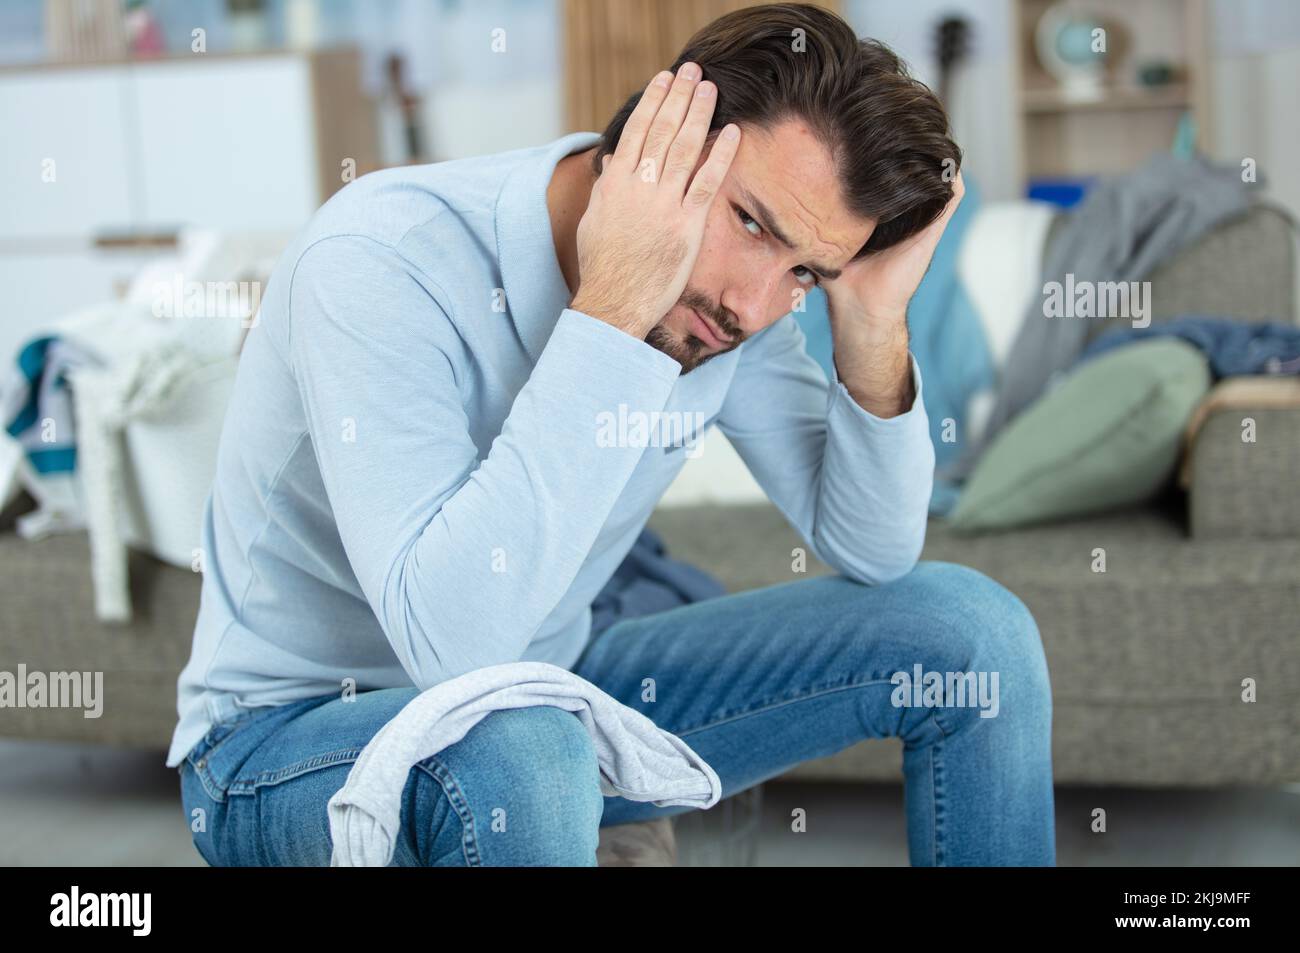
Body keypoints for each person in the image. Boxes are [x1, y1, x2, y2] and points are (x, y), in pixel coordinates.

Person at [172, 2, 1054, 866]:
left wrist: (870, 320)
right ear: (652, 149)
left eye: (804, 273)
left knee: (972, 630)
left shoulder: (729, 311)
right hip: (283, 742)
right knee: (521, 744)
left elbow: (876, 550)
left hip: (561, 692)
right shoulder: (377, 261)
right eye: (750, 224)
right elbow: (454, 654)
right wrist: (614, 312)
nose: (753, 304)